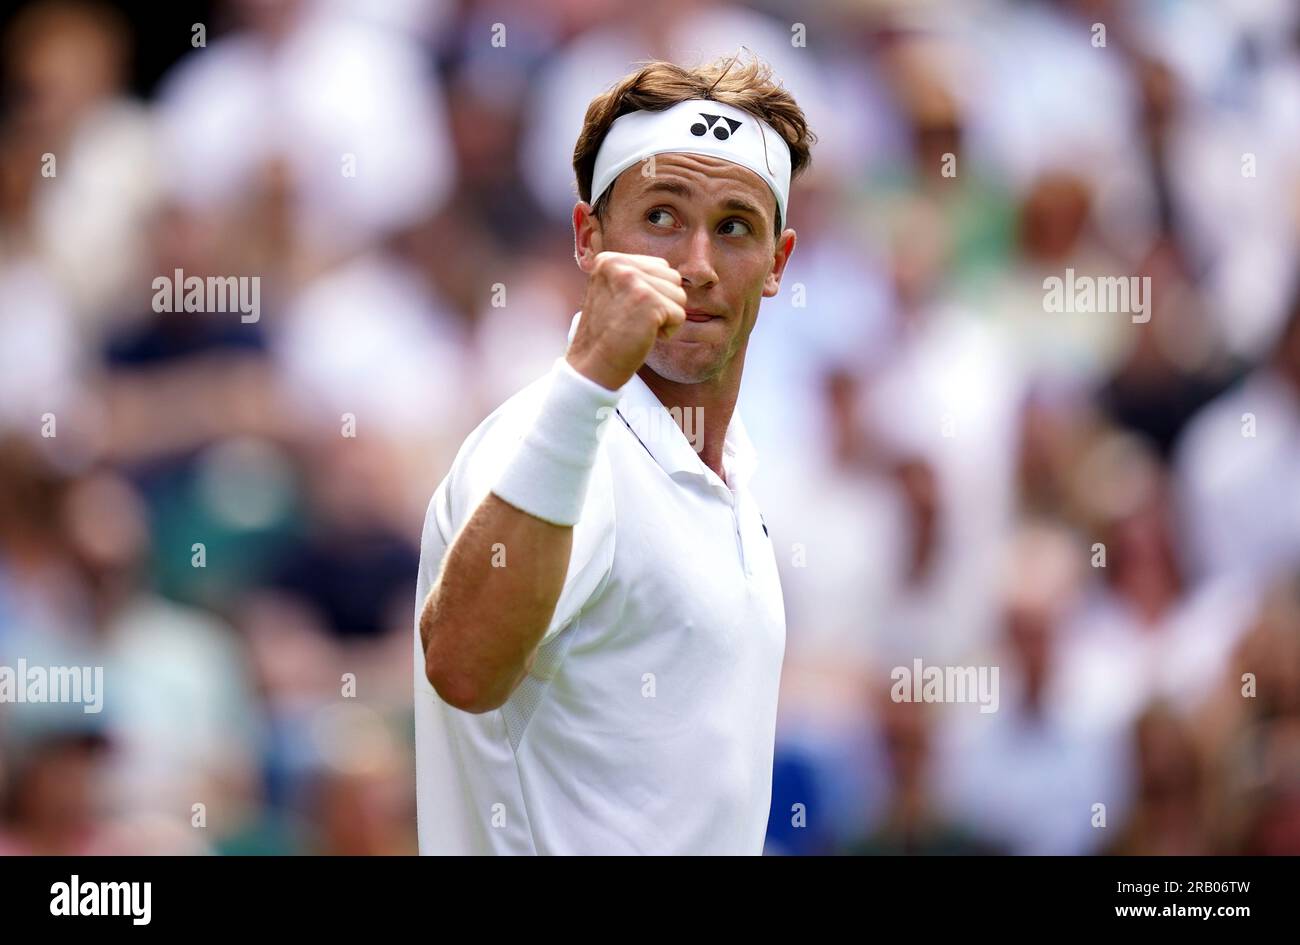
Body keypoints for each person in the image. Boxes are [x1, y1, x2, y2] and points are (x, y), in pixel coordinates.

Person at [412, 54, 815, 854]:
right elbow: (462, 665)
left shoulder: (732, 468)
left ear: (777, 263)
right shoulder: (551, 442)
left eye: (734, 226)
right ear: (588, 237)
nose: (696, 265)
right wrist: (591, 375)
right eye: (661, 216)